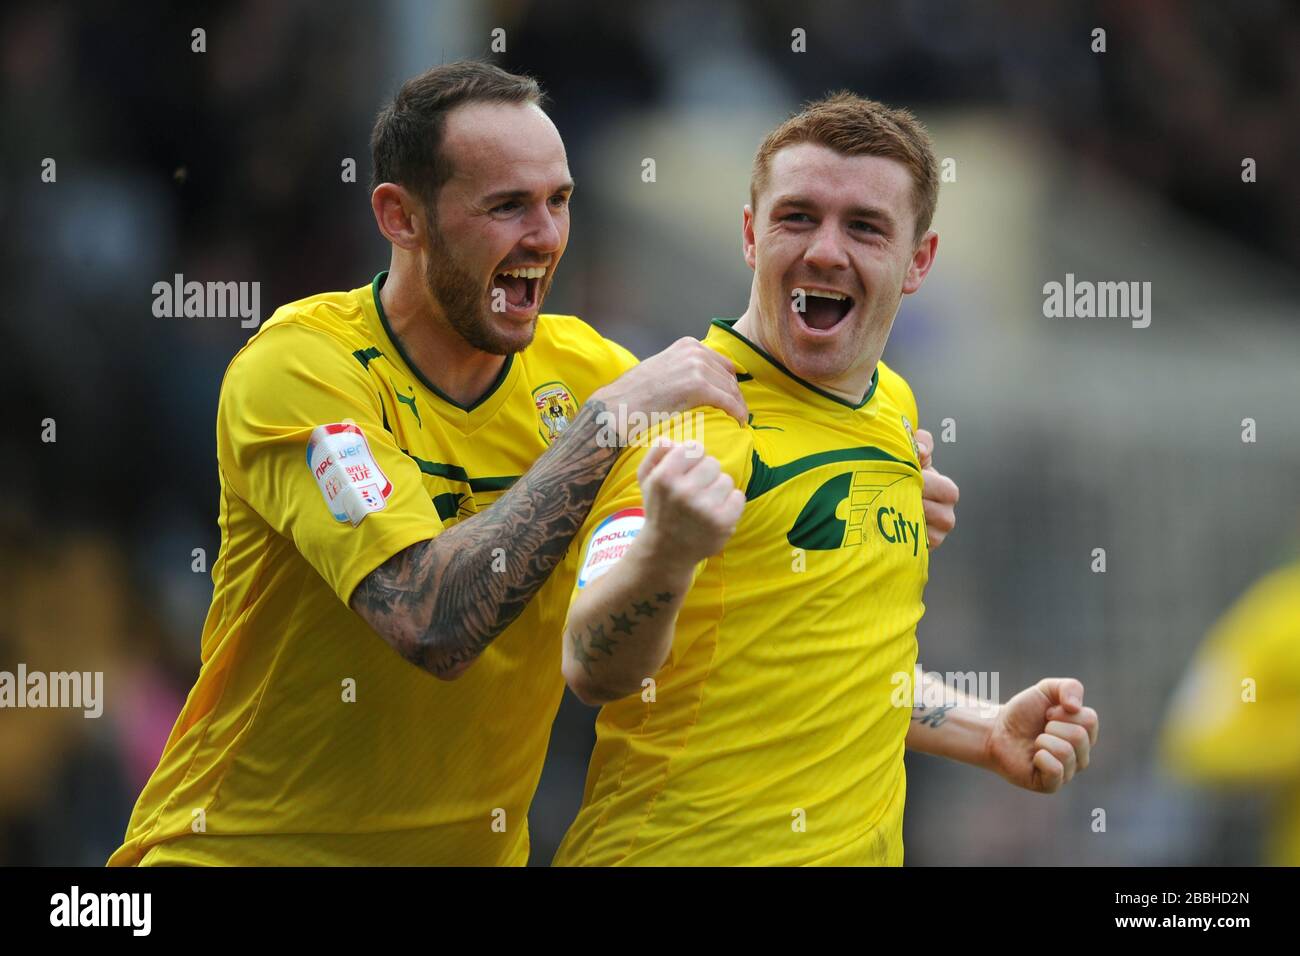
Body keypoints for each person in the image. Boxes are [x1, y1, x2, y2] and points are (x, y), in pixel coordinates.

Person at [109, 62, 958, 867]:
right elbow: (431, 625)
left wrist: (863, 483)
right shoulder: (301, 370)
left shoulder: (591, 371)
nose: (545, 237)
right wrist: (599, 430)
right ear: (402, 216)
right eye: (507, 206)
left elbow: (743, 626)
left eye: (559, 201)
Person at [553, 92, 1098, 866]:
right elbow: (590, 664)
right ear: (750, 234)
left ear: (919, 262)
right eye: (797, 217)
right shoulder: (692, 413)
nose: (824, 251)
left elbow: (834, 659)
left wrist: (987, 730)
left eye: (865, 227)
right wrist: (666, 552)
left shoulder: (890, 405)